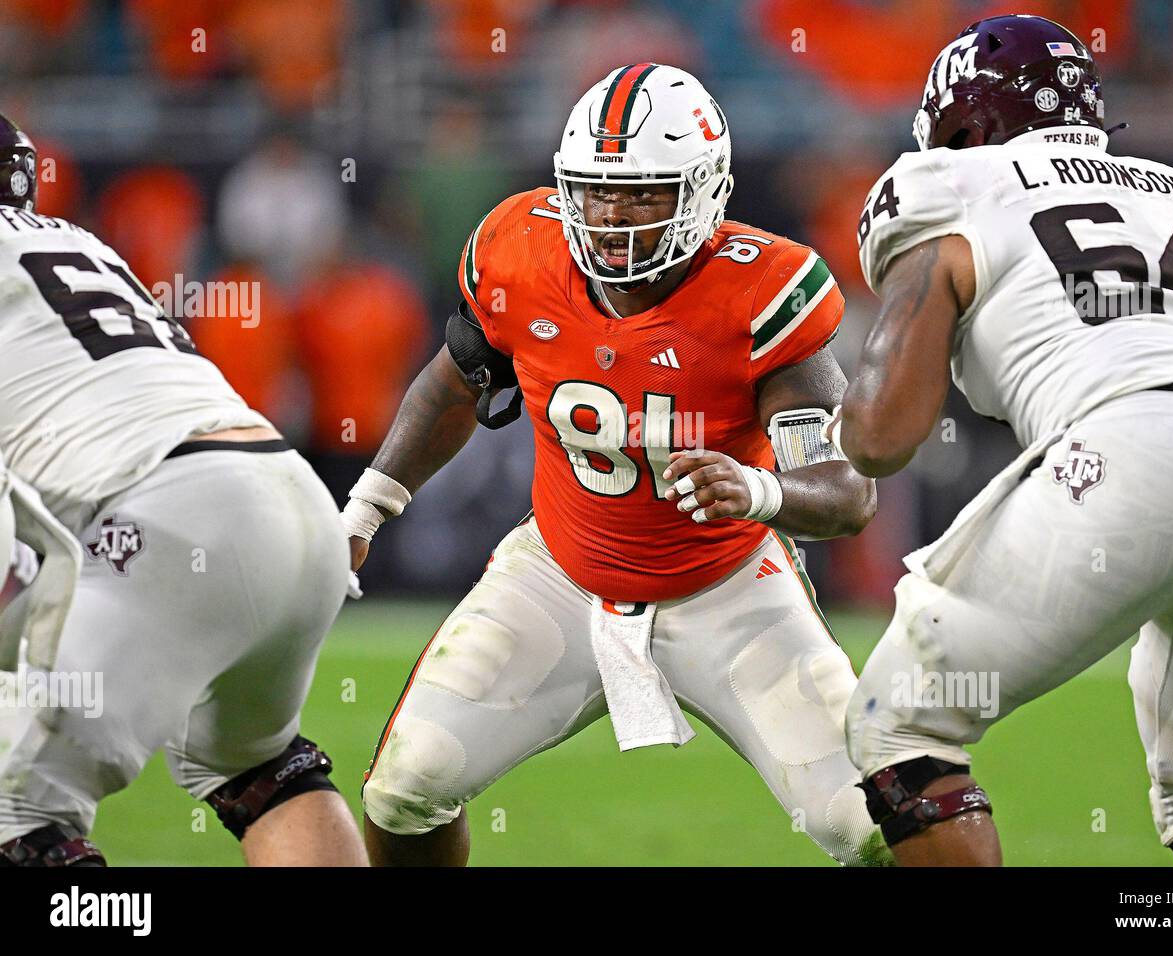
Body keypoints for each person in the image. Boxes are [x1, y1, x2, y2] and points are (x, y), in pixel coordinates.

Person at [349, 63, 889, 866]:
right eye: (596, 190)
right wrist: (367, 507)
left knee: (868, 825)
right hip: (562, 575)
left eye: (643, 193)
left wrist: (758, 488)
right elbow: (450, 387)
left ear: (704, 191)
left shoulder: (763, 291)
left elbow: (848, 494)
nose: (611, 216)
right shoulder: (519, 249)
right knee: (403, 789)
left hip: (728, 589)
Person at [833, 15, 1173, 867]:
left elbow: (882, 438)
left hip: (1130, 444)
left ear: (963, 127)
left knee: (897, 722)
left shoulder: (949, 182)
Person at [0, 114, 365, 867]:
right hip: (289, 499)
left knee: (18, 817)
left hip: (165, 518)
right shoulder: (83, 245)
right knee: (260, 771)